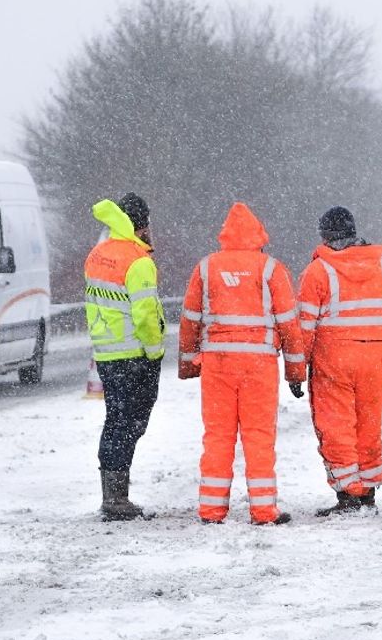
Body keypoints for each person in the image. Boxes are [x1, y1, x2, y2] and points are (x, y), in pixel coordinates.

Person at [178, 203, 305, 525]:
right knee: (259, 436)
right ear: (259, 236)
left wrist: (190, 363)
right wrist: (295, 371)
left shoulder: (206, 268)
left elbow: (190, 319)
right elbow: (289, 323)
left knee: (217, 436)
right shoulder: (271, 269)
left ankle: (211, 510)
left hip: (217, 365)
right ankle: (264, 511)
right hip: (259, 365)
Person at [298, 206, 382, 516]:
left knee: (336, 425)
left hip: (333, 359)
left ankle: (348, 495)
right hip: (375, 357)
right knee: (369, 424)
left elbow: (305, 326)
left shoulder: (318, 271)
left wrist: (296, 369)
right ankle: (369, 492)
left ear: (324, 235)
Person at [84, 192, 165, 521]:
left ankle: (113, 492)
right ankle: (116, 499)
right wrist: (156, 351)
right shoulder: (139, 261)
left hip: (106, 354)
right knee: (130, 424)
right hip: (135, 355)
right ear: (141, 224)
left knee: (116, 422)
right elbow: (145, 315)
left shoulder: (97, 254)